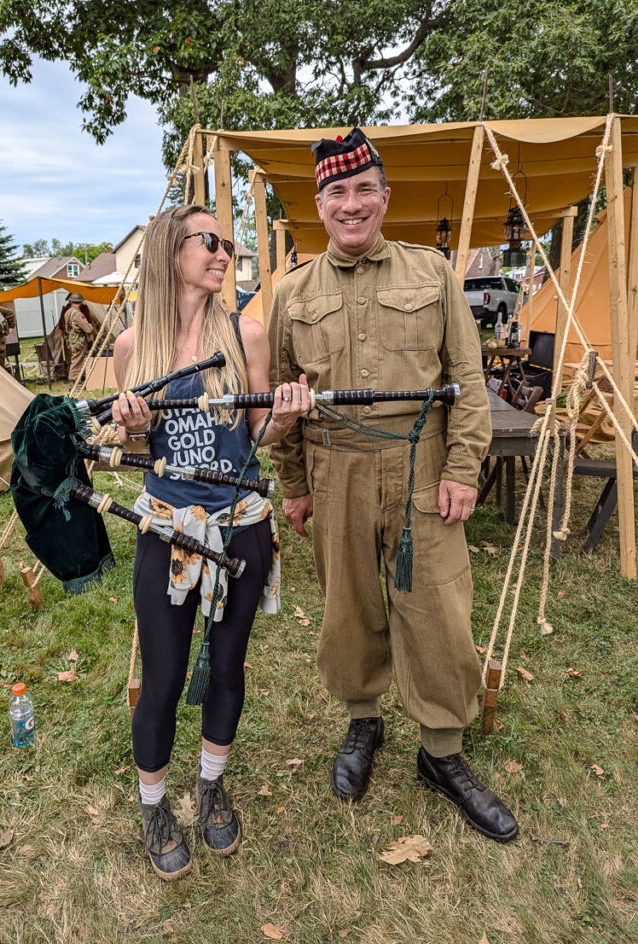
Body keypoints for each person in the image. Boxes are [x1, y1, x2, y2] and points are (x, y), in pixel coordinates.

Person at [267, 127, 518, 843]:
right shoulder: (290, 292)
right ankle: (361, 722)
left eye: (363, 190)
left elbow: (466, 379)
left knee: (436, 607)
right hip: (332, 464)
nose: (351, 205)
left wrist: (464, 468)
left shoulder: (432, 272)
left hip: (422, 462)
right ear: (319, 204)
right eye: (337, 192)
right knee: (348, 608)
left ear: (384, 197)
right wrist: (294, 484)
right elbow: (285, 396)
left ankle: (441, 751)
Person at [111, 204, 309, 880]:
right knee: (163, 679)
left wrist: (282, 418)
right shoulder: (134, 346)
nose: (223, 253)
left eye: (227, 243)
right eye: (209, 242)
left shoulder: (246, 334)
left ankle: (210, 786)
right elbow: (137, 446)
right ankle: (153, 807)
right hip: (168, 531)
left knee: (227, 668)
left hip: (241, 527)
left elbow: (261, 438)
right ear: (171, 252)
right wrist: (132, 428)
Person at [64, 291, 98, 381]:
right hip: (79, 341)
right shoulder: (77, 314)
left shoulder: (68, 312)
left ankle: (75, 380)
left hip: (73, 340)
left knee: (75, 360)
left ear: (71, 302)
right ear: (81, 302)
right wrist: (90, 326)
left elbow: (67, 328)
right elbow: (88, 329)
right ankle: (74, 381)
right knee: (77, 361)